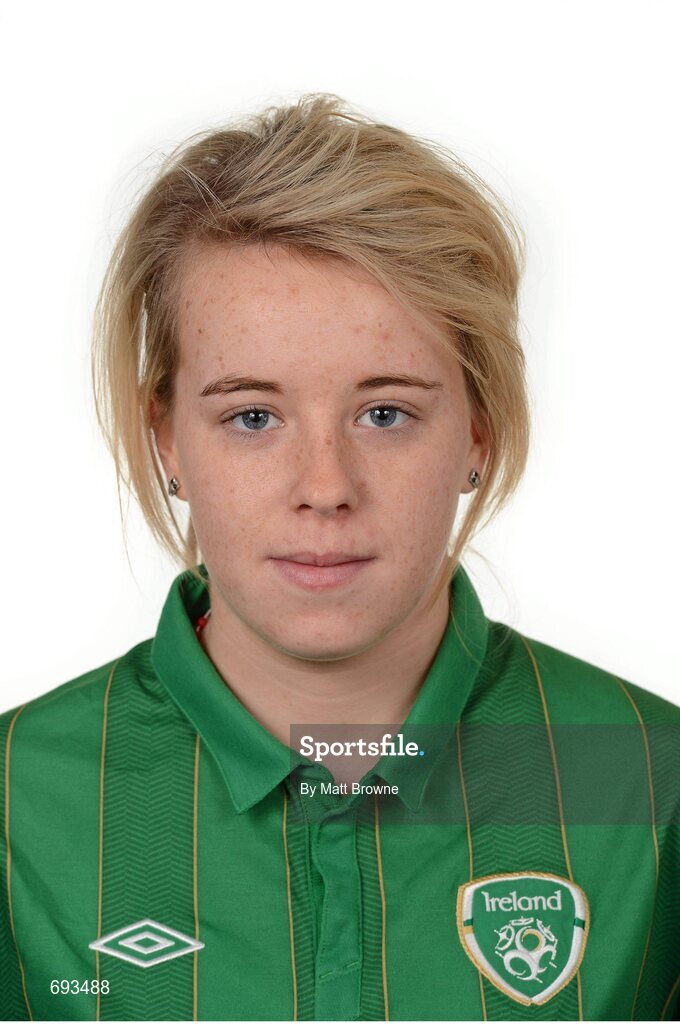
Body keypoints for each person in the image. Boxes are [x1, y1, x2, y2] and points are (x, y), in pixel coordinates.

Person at [1, 93, 678, 1023]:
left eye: (386, 413)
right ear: (165, 439)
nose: (325, 485)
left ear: (478, 430)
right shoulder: (15, 799)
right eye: (252, 417)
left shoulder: (654, 780)